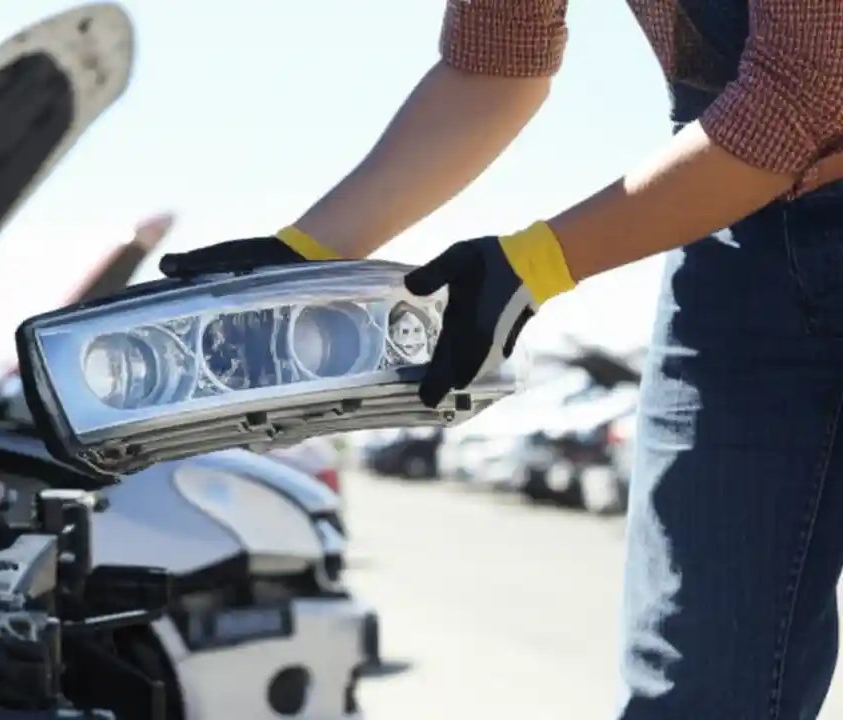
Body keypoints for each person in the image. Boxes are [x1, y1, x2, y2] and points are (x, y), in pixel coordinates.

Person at [159, 2, 843, 717]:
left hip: (776, 130)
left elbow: (809, 84)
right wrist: (309, 252)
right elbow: (495, 58)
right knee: (693, 692)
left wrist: (535, 264)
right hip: (736, 236)